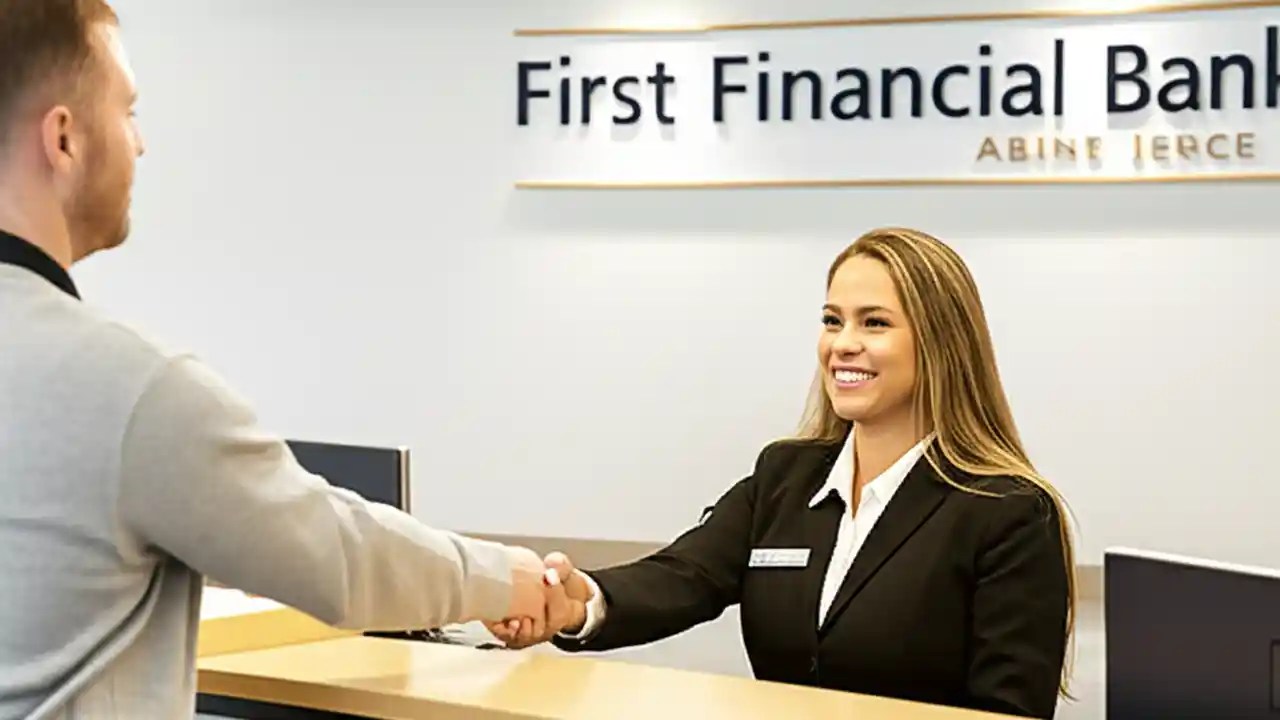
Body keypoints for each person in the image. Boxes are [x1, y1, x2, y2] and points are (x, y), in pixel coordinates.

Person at [0, 2, 574, 718]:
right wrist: (508, 578)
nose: (141, 144)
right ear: (64, 139)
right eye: (129, 111)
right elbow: (334, 555)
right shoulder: (126, 389)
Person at [491, 227, 1077, 719]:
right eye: (832, 320)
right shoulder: (785, 476)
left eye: (874, 322)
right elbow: (684, 575)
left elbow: (1011, 712)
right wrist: (579, 603)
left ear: (941, 343)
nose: (843, 345)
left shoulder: (1009, 513)